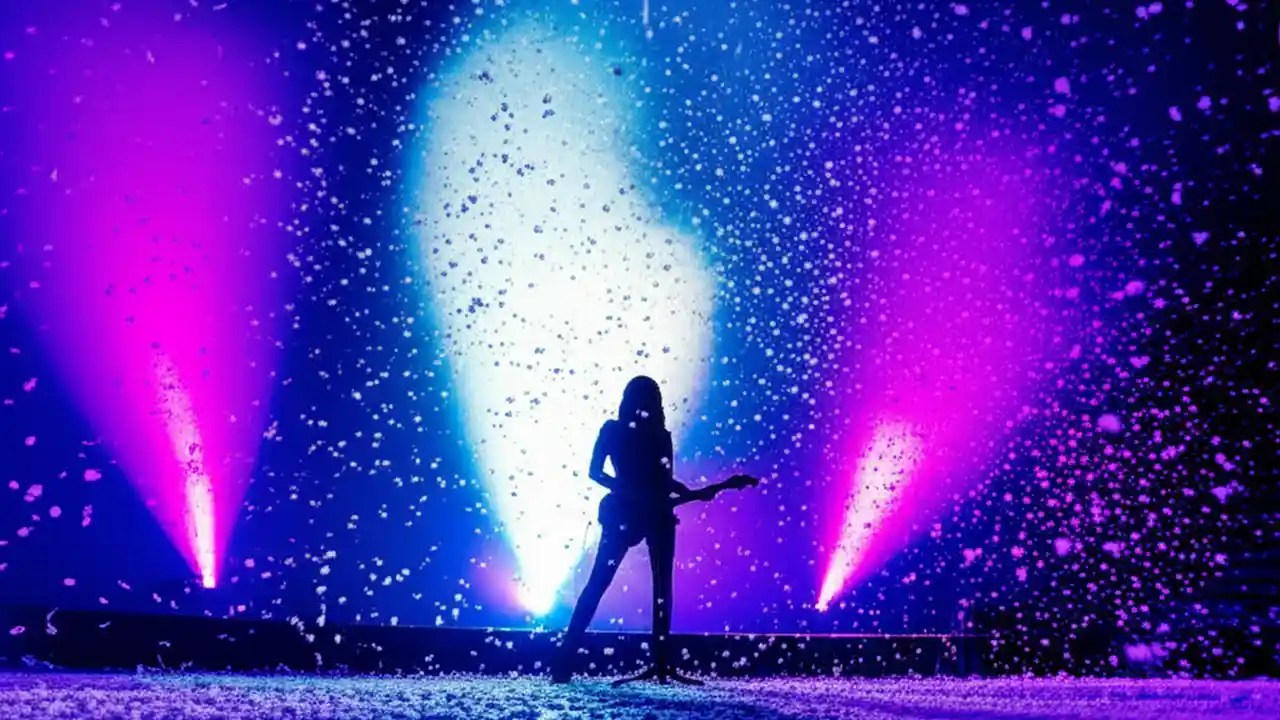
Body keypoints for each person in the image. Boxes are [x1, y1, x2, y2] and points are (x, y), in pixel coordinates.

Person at [551, 375, 700, 684]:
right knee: (599, 584)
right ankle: (564, 663)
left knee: (661, 590)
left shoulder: (659, 435)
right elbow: (595, 471)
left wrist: (683, 490)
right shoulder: (615, 430)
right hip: (624, 511)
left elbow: (661, 480)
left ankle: (659, 664)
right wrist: (627, 489)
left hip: (656, 513)